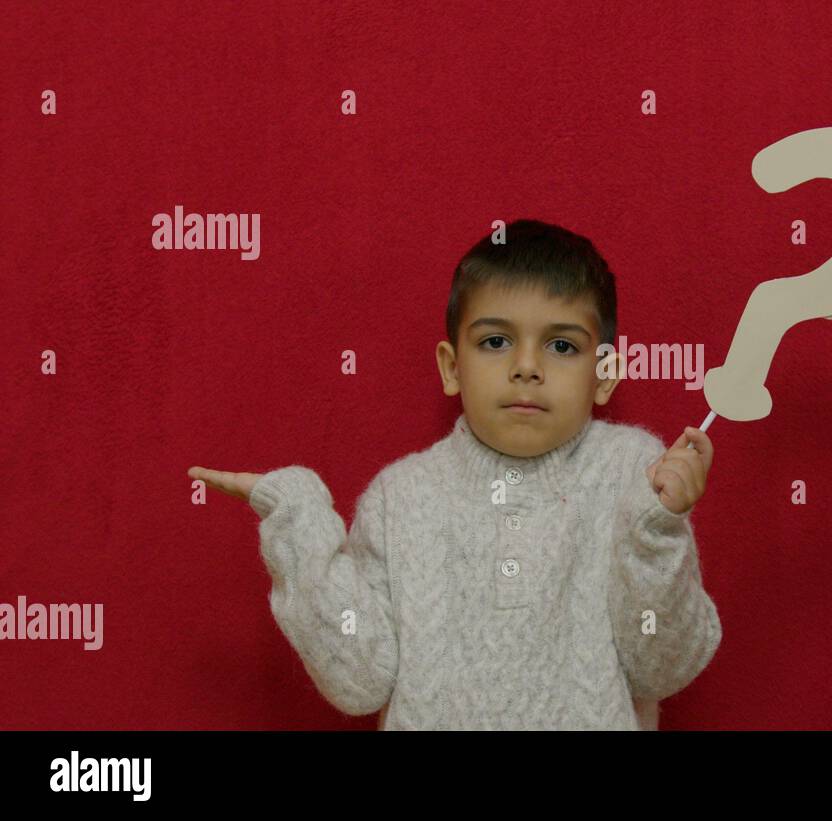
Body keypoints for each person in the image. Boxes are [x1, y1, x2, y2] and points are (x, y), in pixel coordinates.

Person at [187, 219, 722, 730]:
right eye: (495, 341)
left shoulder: (633, 472)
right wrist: (298, 524)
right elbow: (359, 679)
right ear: (451, 366)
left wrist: (658, 531)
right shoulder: (402, 497)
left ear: (604, 373)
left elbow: (663, 668)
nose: (527, 366)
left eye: (562, 346)